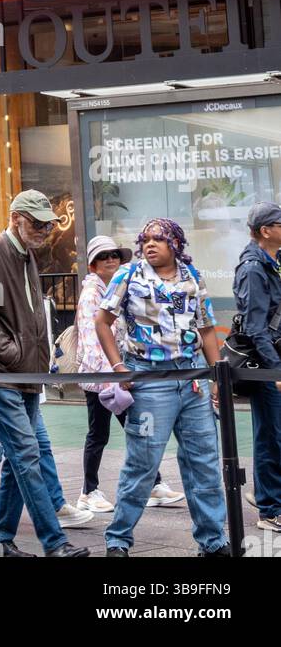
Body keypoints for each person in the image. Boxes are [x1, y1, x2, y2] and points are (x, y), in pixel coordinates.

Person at [0, 190, 90, 558]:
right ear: (16, 217)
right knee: (26, 453)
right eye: (37, 223)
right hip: (0, 373)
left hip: (25, 373)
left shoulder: (25, 255)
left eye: (47, 224)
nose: (44, 229)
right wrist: (12, 351)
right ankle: (54, 542)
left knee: (24, 455)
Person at [96, 218, 229, 558]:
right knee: (142, 464)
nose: (150, 244)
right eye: (146, 239)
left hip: (192, 381)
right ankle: (118, 540)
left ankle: (213, 541)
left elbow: (207, 328)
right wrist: (118, 366)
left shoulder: (192, 276)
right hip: (149, 381)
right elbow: (103, 321)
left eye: (159, 239)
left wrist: (217, 376)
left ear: (176, 243)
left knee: (205, 463)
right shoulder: (129, 275)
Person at [75, 234, 183, 514]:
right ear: (93, 265)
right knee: (99, 434)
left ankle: (153, 483)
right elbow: (92, 339)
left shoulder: (116, 289)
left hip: (119, 376)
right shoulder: (91, 294)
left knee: (136, 430)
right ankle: (88, 491)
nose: (111, 259)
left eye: (114, 255)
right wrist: (113, 376)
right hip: (103, 379)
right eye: (103, 256)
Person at [232, 202, 281, 534]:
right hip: (268, 366)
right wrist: (276, 371)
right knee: (271, 437)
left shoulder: (271, 262)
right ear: (266, 230)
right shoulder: (253, 268)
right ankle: (269, 509)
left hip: (274, 362)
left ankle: (265, 494)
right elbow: (255, 327)